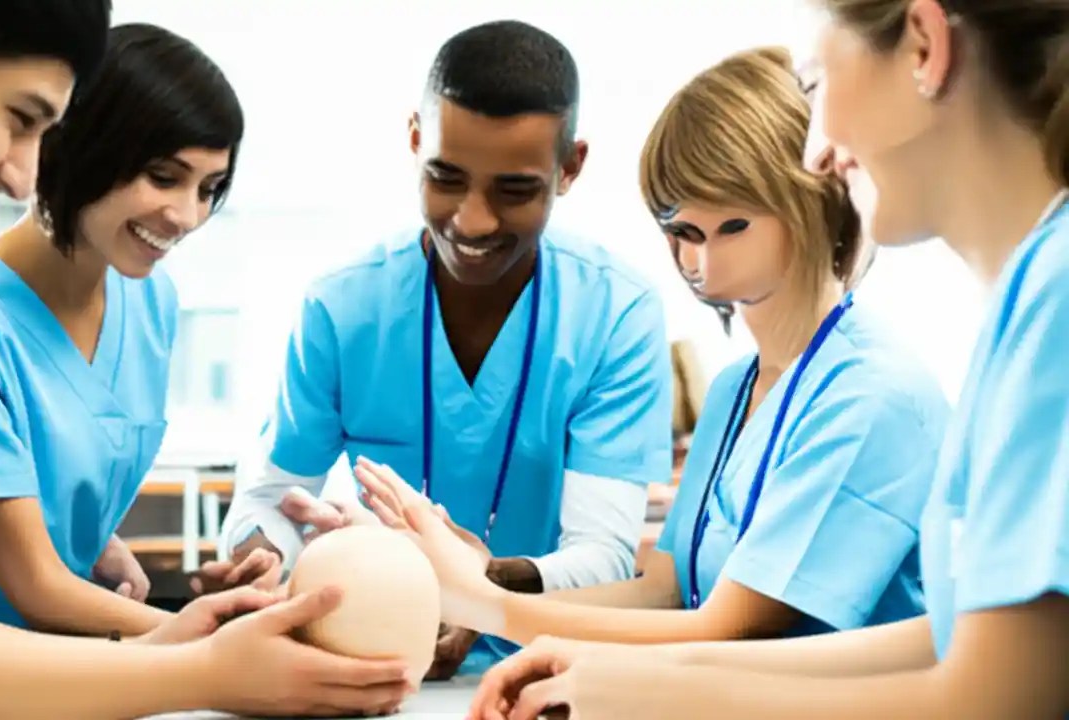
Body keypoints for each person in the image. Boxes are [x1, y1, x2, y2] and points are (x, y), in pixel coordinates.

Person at [0, 4, 414, 718]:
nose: (24, 176)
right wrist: (206, 668)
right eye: (20, 119)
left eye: (209, 189)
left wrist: (177, 649)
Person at [461, 1, 1069, 718]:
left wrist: (636, 676)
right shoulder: (1031, 297)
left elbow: (997, 696)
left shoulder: (1025, 315)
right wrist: (615, 663)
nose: (815, 156)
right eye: (682, 228)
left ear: (926, 46)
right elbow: (947, 642)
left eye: (812, 86)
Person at [355, 45, 951, 650]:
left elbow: (724, 627)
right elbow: (664, 591)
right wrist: (495, 580)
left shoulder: (871, 396)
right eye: (680, 230)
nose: (697, 259)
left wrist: (483, 605)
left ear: (811, 199)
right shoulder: (735, 390)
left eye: (731, 225)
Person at [220, 18, 675, 678]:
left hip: (545, 667)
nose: (473, 219)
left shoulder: (616, 315)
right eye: (446, 176)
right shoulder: (341, 309)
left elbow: (602, 554)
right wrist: (265, 554)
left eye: (514, 189)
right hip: (377, 660)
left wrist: (476, 588)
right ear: (413, 140)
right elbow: (270, 499)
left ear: (570, 168)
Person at [0, 21, 280, 641]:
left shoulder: (151, 299)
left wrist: (95, 541)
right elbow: (35, 585)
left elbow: (35, 482)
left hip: (74, 662)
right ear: (80, 146)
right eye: (163, 176)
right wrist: (211, 638)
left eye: (208, 189)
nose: (186, 215)